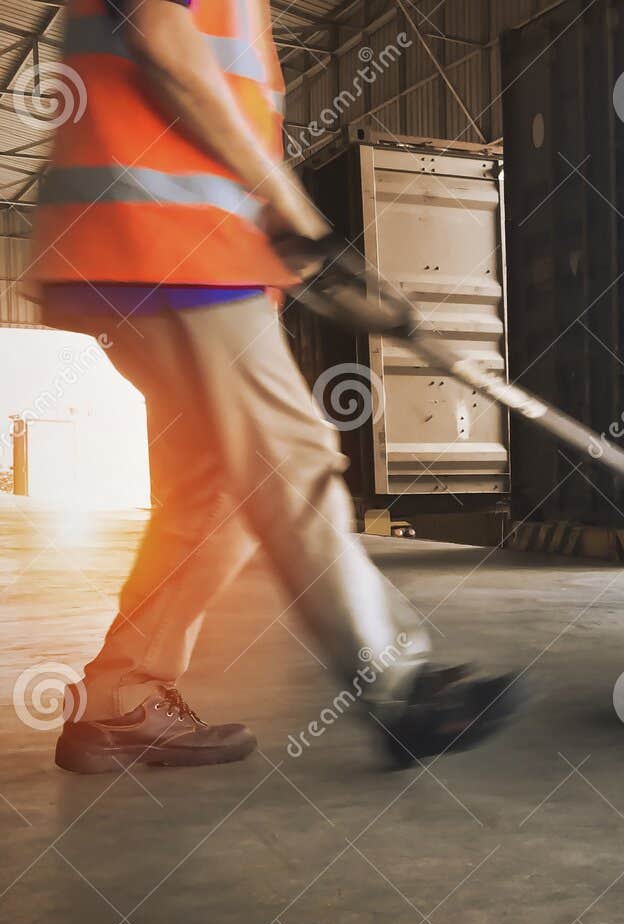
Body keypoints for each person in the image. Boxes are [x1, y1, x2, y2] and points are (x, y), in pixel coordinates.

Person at [26, 0, 524, 774]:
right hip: (166, 241)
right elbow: (162, 40)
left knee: (216, 494)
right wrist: (295, 211)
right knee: (290, 460)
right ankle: (397, 687)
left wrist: (278, 247)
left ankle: (116, 700)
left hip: (160, 245)